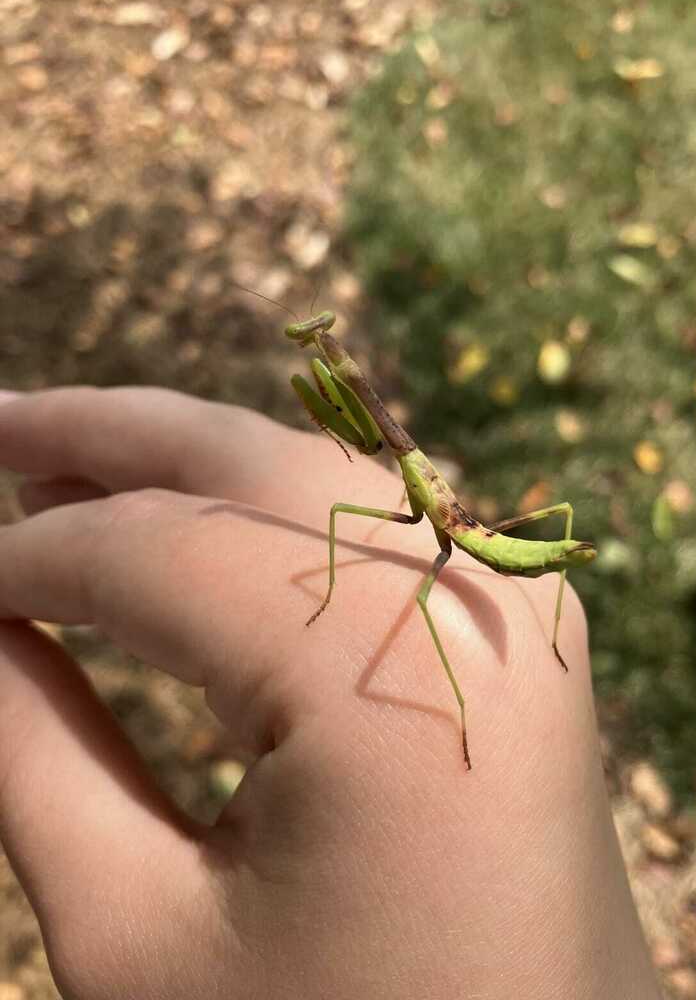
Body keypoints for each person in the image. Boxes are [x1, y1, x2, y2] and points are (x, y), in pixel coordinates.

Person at [0, 386, 662, 999]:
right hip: (467, 537)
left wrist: (464, 714)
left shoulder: (396, 450)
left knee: (403, 577)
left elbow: (373, 451)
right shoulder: (389, 443)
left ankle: (456, 706)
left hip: (472, 545)